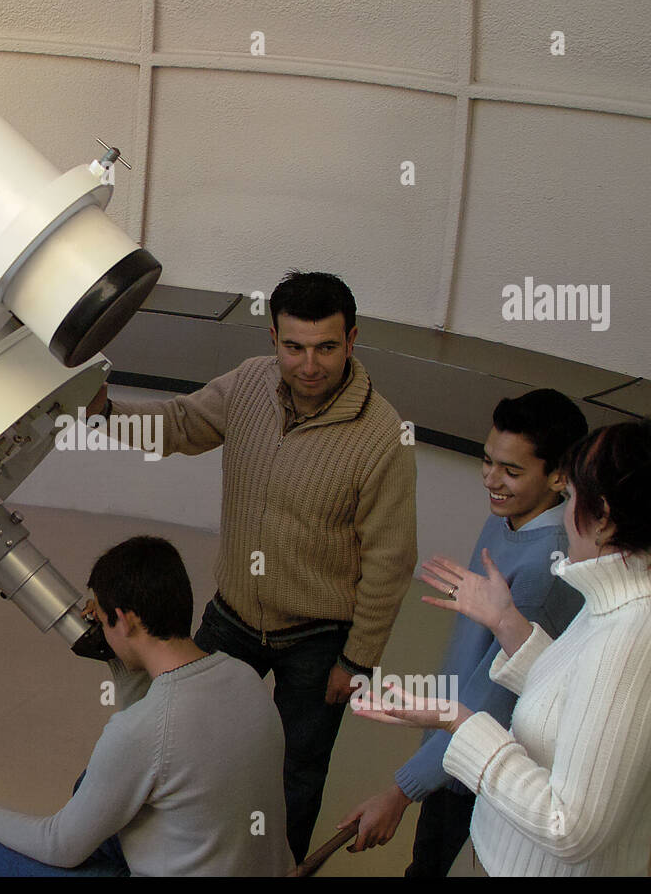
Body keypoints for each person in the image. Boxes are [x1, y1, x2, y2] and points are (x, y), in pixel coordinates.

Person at [88, 270, 417, 862]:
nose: (308, 365)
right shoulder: (248, 384)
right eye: (293, 347)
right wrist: (105, 412)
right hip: (232, 618)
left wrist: (357, 658)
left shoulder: (381, 436)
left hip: (318, 642)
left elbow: (390, 560)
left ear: (352, 340)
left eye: (325, 348)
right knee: (188, 741)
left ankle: (275, 868)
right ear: (273, 339)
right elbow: (184, 425)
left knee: (295, 775)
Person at [354, 417, 651, 876]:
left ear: (603, 517)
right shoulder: (623, 597)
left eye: (569, 499)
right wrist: (507, 622)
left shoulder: (638, 640)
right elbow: (574, 703)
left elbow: (568, 827)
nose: (564, 515)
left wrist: (460, 722)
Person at [0, 535, 295, 876]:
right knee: (90, 784)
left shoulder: (137, 732)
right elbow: (161, 734)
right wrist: (118, 656)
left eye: (103, 619)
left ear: (128, 619)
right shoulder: (243, 676)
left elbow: (59, 845)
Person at [339, 388, 589, 875]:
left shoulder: (544, 568)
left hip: (486, 764)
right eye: (487, 461)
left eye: (511, 471)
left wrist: (401, 791)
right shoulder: (512, 517)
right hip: (454, 751)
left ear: (560, 476)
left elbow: (494, 700)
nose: (491, 480)